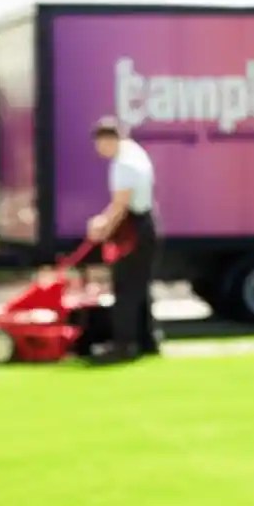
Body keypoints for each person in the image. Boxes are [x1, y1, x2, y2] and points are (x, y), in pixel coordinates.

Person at [86, 116, 160, 364]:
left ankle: (123, 345)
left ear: (109, 140)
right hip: (146, 223)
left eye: (99, 143)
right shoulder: (135, 152)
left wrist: (102, 226)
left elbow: (120, 204)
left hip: (134, 227)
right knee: (140, 286)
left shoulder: (123, 163)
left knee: (125, 287)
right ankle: (147, 341)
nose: (99, 150)